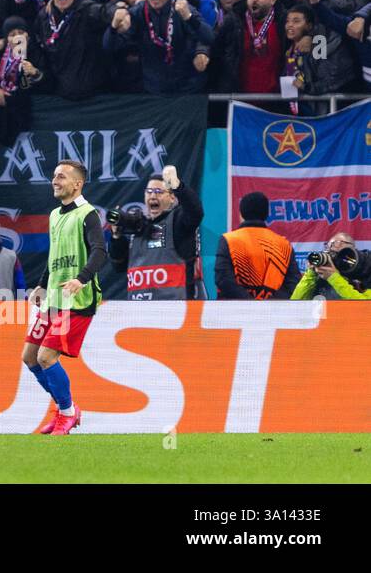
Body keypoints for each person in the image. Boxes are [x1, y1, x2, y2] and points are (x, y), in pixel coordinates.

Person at [23, 160, 107, 436]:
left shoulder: (88, 214)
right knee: (30, 357)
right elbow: (55, 256)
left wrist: (81, 279)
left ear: (77, 184)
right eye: (54, 176)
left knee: (47, 356)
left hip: (78, 300)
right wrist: (41, 285)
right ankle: (66, 408)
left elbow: (99, 251)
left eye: (61, 176)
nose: (55, 181)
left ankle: (67, 413)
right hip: (55, 299)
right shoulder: (55, 215)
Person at [108, 164, 204, 299]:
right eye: (149, 191)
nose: (153, 196)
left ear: (172, 197)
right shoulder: (138, 226)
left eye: (159, 192)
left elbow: (196, 212)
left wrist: (177, 186)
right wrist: (116, 236)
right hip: (138, 313)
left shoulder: (178, 221)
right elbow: (118, 266)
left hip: (175, 312)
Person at [216, 190, 302, 300]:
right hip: (272, 314)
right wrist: (267, 304)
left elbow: (223, 280)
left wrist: (250, 303)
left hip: (234, 312)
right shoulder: (283, 244)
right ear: (266, 214)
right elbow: (293, 284)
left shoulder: (228, 240)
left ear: (241, 213)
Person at [291, 232, 371, 301]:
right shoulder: (318, 276)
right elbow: (295, 304)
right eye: (331, 253)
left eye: (340, 254)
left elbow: (364, 306)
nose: (334, 259)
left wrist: (333, 277)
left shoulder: (363, 274)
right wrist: (311, 274)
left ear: (353, 253)